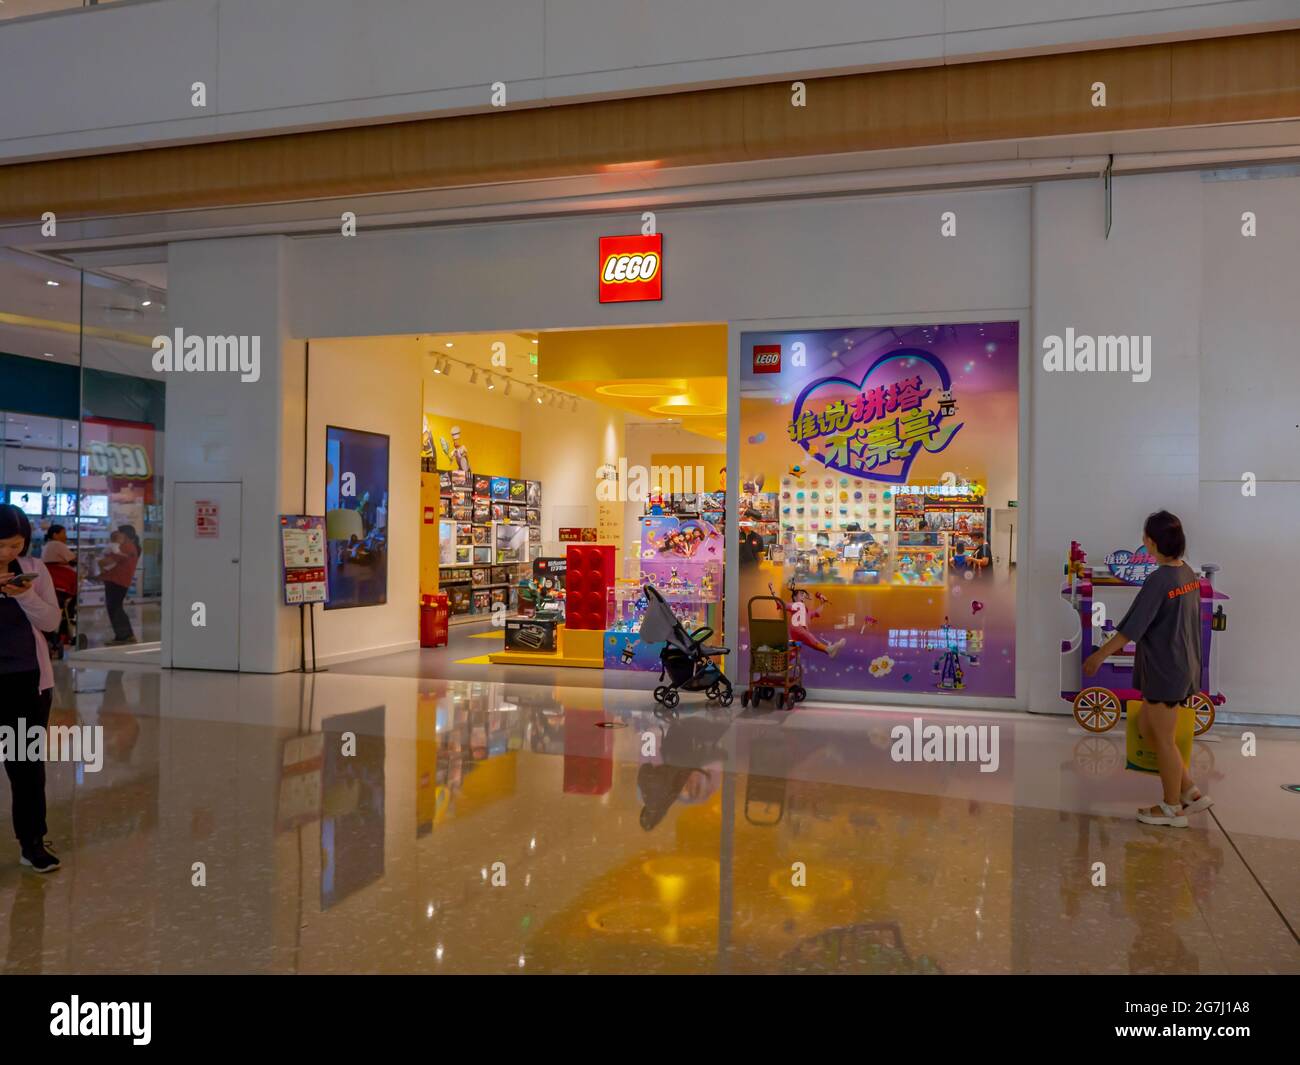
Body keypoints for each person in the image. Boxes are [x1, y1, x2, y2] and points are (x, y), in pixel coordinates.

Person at [1083, 510, 1212, 827]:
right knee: (1147, 729)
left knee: (1163, 739)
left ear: (1151, 543)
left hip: (1166, 670)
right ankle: (1190, 792)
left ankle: (1172, 808)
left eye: (1145, 537)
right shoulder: (1187, 575)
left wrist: (1098, 656)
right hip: (1181, 665)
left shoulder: (1160, 580)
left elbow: (1130, 631)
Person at [0, 504, 63, 872]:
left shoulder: (34, 570)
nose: (10, 553)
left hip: (25, 683)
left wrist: (23, 594)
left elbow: (52, 621)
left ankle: (32, 842)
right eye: (3, 545)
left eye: (16, 545)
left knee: (26, 766)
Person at [98, 524, 140, 645]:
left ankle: (124, 636)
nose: (117, 534)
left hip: (117, 580)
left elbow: (107, 561)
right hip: (118, 580)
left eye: (119, 532)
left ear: (125, 535)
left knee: (114, 608)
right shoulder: (128, 546)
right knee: (116, 607)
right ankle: (126, 635)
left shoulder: (125, 547)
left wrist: (99, 563)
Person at [40, 525, 77, 656]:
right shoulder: (57, 544)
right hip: (62, 580)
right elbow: (73, 559)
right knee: (67, 605)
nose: (65, 536)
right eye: (63, 533)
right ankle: (66, 628)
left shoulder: (48, 545)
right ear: (55, 535)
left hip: (52, 580)